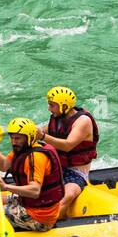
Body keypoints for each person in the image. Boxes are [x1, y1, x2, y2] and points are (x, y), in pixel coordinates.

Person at [0, 118, 64, 231]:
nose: (13, 142)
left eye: (17, 138)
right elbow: (3, 165)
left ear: (29, 137)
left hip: (40, 217)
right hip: (28, 203)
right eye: (12, 138)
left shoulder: (36, 157)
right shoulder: (23, 148)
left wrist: (6, 186)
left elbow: (35, 191)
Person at [37, 85, 99, 219]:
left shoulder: (83, 121)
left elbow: (68, 145)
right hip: (56, 167)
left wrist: (42, 137)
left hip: (76, 172)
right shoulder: (58, 118)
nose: (49, 108)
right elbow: (40, 130)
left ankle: (47, 223)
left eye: (52, 105)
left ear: (64, 106)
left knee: (67, 196)